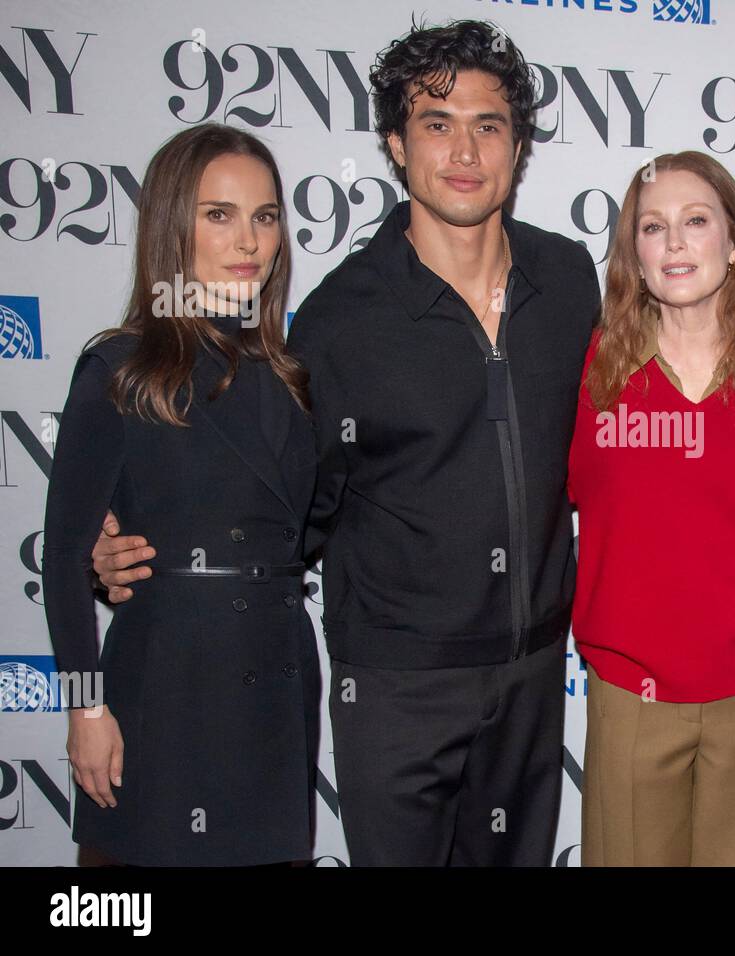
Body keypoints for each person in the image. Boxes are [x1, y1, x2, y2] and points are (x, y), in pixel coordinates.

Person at [92, 20, 600, 866]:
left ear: (519, 145)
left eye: (489, 124)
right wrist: (116, 554)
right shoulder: (337, 323)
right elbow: (280, 505)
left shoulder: (570, 278)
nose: (465, 149)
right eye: (437, 124)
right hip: (395, 692)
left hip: (534, 676)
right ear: (397, 146)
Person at [42, 123, 319, 866]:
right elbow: (66, 558)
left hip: (276, 683)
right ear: (174, 224)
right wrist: (86, 706)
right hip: (165, 683)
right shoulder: (121, 368)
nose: (249, 240)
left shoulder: (293, 374)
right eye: (219, 214)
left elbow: (316, 526)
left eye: (265, 216)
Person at [569, 151, 735, 866]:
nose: (674, 242)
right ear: (633, 256)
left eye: (696, 220)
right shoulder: (589, 370)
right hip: (631, 696)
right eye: (652, 226)